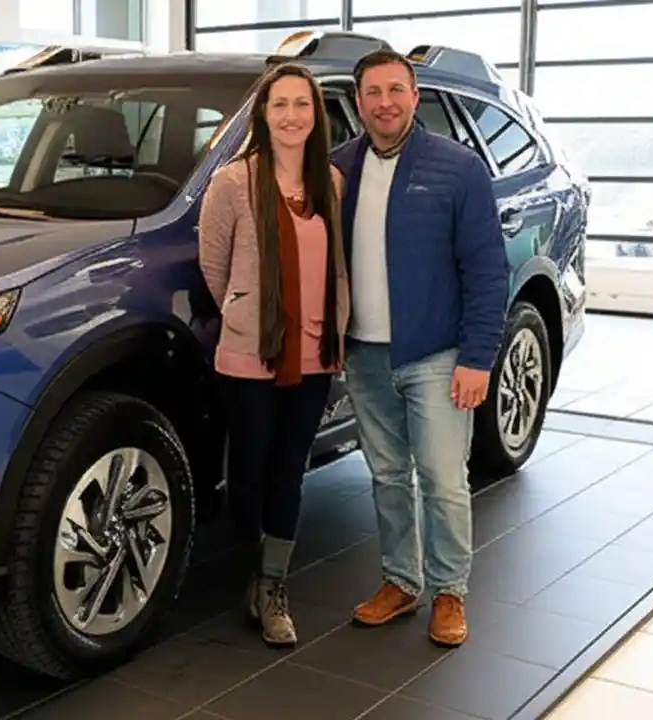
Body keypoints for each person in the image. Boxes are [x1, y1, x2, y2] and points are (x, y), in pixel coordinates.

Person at [329, 49, 509, 647]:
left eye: (396, 91)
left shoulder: (456, 168)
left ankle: (450, 591)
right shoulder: (338, 169)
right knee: (385, 476)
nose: (385, 103)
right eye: (373, 92)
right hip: (365, 354)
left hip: (435, 351)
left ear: (414, 95)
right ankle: (401, 581)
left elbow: (487, 271)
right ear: (358, 102)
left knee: (441, 478)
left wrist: (478, 357)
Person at [198, 63, 350, 647]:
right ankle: (256, 568)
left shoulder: (329, 182)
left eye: (303, 105)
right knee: (248, 475)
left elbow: (334, 263)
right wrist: (247, 311)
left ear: (316, 114)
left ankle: (271, 585)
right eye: (280, 104)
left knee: (290, 470)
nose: (292, 116)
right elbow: (214, 266)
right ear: (264, 114)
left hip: (315, 351)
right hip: (251, 352)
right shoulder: (235, 181)